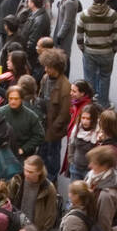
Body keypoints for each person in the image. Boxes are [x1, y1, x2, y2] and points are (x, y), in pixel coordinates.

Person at [76, 0, 117, 108]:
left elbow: (79, 37)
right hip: (107, 52)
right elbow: (116, 36)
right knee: (105, 78)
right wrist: (113, 50)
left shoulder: (84, 15)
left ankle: (88, 105)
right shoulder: (113, 15)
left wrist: (84, 49)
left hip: (89, 52)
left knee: (89, 79)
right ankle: (103, 103)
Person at [37, 48, 71, 180]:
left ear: (56, 67)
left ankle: (51, 176)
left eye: (48, 67)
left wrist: (53, 129)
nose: (45, 69)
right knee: (43, 151)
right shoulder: (45, 78)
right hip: (44, 124)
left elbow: (64, 114)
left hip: (54, 128)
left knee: (53, 152)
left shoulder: (65, 87)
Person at [8, 156, 58, 231]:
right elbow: (8, 201)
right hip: (15, 228)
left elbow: (51, 214)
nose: (26, 174)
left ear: (39, 172)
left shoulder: (48, 188)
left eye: (31, 172)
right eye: (25, 170)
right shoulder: (17, 180)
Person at [0, 85, 43, 159]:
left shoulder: (31, 116)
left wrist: (24, 149)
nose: (13, 101)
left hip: (23, 155)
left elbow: (39, 135)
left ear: (22, 99)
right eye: (10, 98)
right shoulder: (0, 112)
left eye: (16, 99)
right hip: (4, 153)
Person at [64, 101, 100, 181]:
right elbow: (71, 144)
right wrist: (71, 160)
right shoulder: (77, 129)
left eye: (88, 119)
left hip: (90, 171)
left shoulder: (97, 132)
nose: (85, 121)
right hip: (75, 168)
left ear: (93, 119)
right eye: (83, 118)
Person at [52, 0, 80, 75]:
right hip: (61, 30)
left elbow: (67, 21)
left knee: (64, 55)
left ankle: (64, 76)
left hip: (65, 34)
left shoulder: (70, 2)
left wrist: (60, 35)